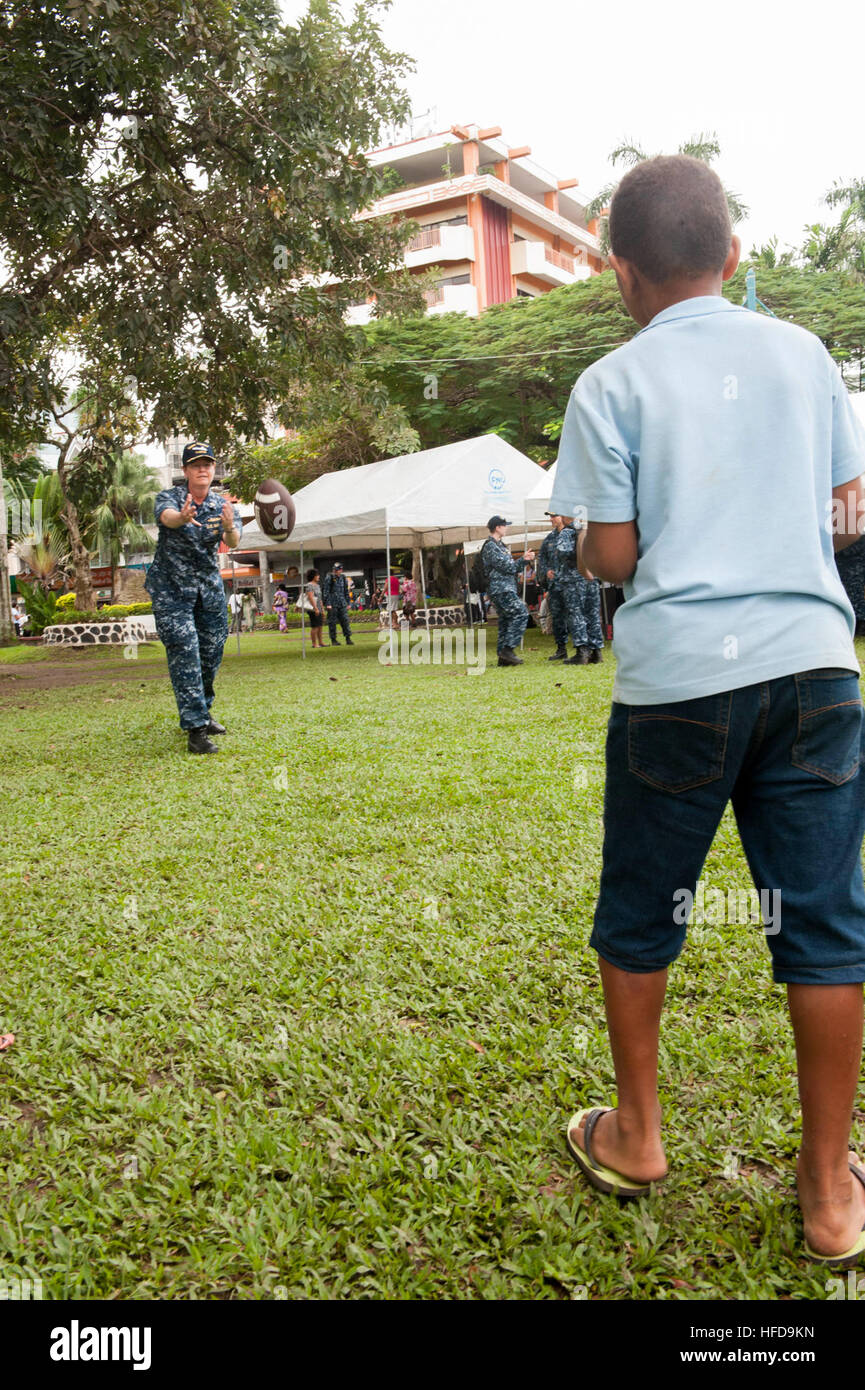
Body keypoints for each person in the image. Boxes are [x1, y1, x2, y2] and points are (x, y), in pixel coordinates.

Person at [552, 153, 865, 1267]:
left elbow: (612, 554)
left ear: (621, 275)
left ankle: (638, 1136)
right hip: (816, 669)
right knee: (822, 922)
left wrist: (609, 539)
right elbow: (841, 508)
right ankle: (829, 1193)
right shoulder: (805, 356)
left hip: (678, 681)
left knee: (642, 912)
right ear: (734, 259)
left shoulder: (610, 383)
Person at [145, 441, 241, 753]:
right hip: (171, 590)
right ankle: (196, 730)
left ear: (213, 470)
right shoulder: (170, 498)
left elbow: (234, 541)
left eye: (207, 464)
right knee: (185, 650)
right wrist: (183, 517)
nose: (202, 469)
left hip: (208, 590)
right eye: (196, 464)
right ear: (186, 470)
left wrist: (228, 528)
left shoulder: (223, 506)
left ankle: (204, 709)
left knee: (211, 652)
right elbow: (168, 517)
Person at [482, 516, 534, 667]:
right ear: (497, 527)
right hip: (500, 588)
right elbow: (508, 567)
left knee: (506, 620)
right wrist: (524, 559)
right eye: (505, 526)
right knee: (521, 613)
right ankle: (508, 650)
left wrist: (522, 560)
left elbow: (510, 567)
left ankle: (503, 657)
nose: (507, 528)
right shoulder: (491, 546)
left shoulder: (500, 545)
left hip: (505, 587)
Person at [555, 520, 591, 664]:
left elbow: (564, 553)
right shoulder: (584, 528)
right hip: (584, 577)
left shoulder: (568, 531)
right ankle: (593, 650)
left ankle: (581, 651)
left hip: (572, 578)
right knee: (586, 613)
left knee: (575, 614)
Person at [537, 514, 569, 659]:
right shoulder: (549, 538)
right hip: (555, 585)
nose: (551, 519)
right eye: (550, 517)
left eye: (553, 516)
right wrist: (546, 570)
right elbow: (541, 557)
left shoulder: (572, 534)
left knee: (576, 615)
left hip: (571, 584)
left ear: (562, 516)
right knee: (557, 617)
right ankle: (561, 649)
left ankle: (583, 648)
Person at [322, 562, 353, 645]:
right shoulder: (329, 577)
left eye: (337, 570)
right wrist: (328, 603)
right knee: (332, 622)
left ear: (341, 570)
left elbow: (346, 591)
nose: (335, 571)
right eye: (334, 570)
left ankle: (348, 638)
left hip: (342, 603)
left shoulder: (343, 578)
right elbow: (326, 591)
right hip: (332, 604)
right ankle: (333, 640)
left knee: (345, 621)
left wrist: (348, 602)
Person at [305, 568, 325, 648]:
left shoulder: (318, 586)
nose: (318, 576)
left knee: (320, 626)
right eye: (317, 575)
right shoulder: (309, 585)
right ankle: (314, 643)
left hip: (319, 608)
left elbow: (319, 598)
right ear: (313, 576)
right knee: (315, 626)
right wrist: (316, 608)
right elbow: (311, 597)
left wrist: (322, 609)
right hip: (313, 609)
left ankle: (320, 642)